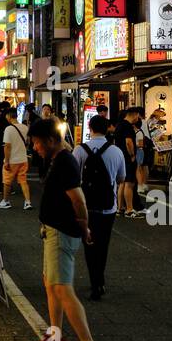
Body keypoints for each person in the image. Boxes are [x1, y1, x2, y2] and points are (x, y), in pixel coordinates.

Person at [26, 118, 107, 341]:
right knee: (51, 285)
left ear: (51, 141)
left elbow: (78, 200)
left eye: (38, 144)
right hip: (52, 230)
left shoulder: (65, 162)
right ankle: (55, 338)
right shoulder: (58, 159)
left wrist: (84, 226)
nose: (35, 148)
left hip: (62, 232)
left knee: (62, 288)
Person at [74, 115, 127, 299]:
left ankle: (94, 281)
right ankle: (100, 281)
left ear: (89, 127)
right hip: (108, 207)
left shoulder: (80, 150)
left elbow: (73, 178)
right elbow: (121, 179)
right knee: (103, 245)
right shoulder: (116, 151)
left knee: (89, 244)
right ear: (108, 129)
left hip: (85, 207)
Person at [0, 108, 33, 210]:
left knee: (7, 182)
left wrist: (6, 161)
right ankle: (28, 202)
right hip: (23, 159)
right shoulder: (25, 127)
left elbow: (7, 146)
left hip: (12, 160)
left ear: (9, 116)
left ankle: (6, 201)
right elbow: (28, 142)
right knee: (23, 181)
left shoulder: (8, 129)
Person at [116, 108, 145, 217]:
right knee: (129, 183)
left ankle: (120, 208)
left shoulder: (119, 125)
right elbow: (128, 142)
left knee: (122, 183)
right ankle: (129, 209)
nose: (137, 119)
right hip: (127, 158)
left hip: (120, 157)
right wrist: (132, 155)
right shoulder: (128, 126)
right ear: (134, 115)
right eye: (137, 116)